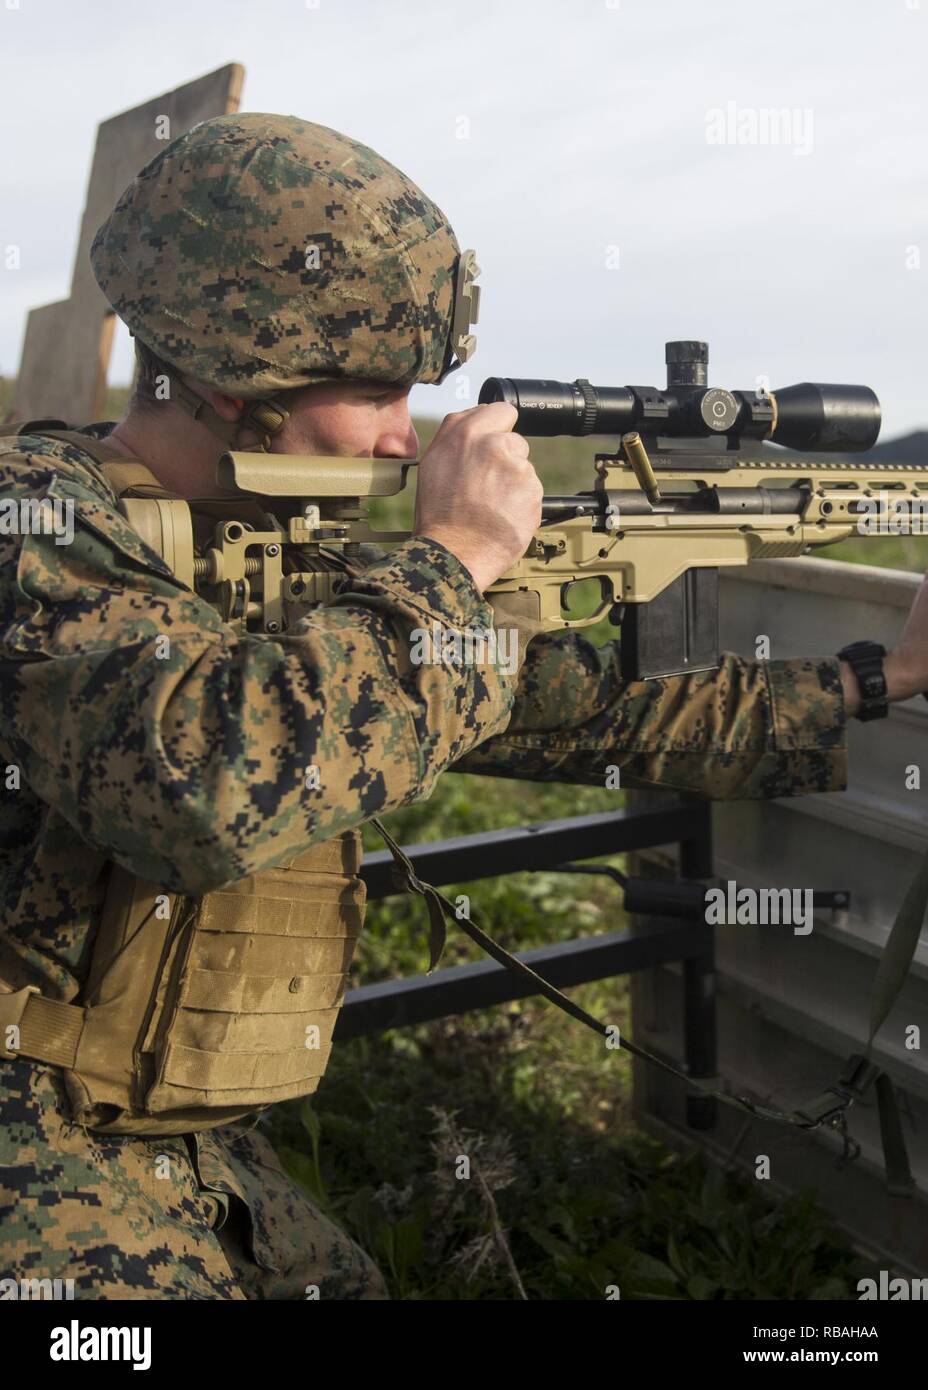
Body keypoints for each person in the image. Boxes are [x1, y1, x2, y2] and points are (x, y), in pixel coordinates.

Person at [1, 113, 926, 1301]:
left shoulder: (270, 548)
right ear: (235, 371)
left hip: (164, 1131)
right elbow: (200, 787)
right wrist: (456, 553)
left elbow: (576, 713)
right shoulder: (37, 516)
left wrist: (874, 679)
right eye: (376, 389)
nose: (403, 432)